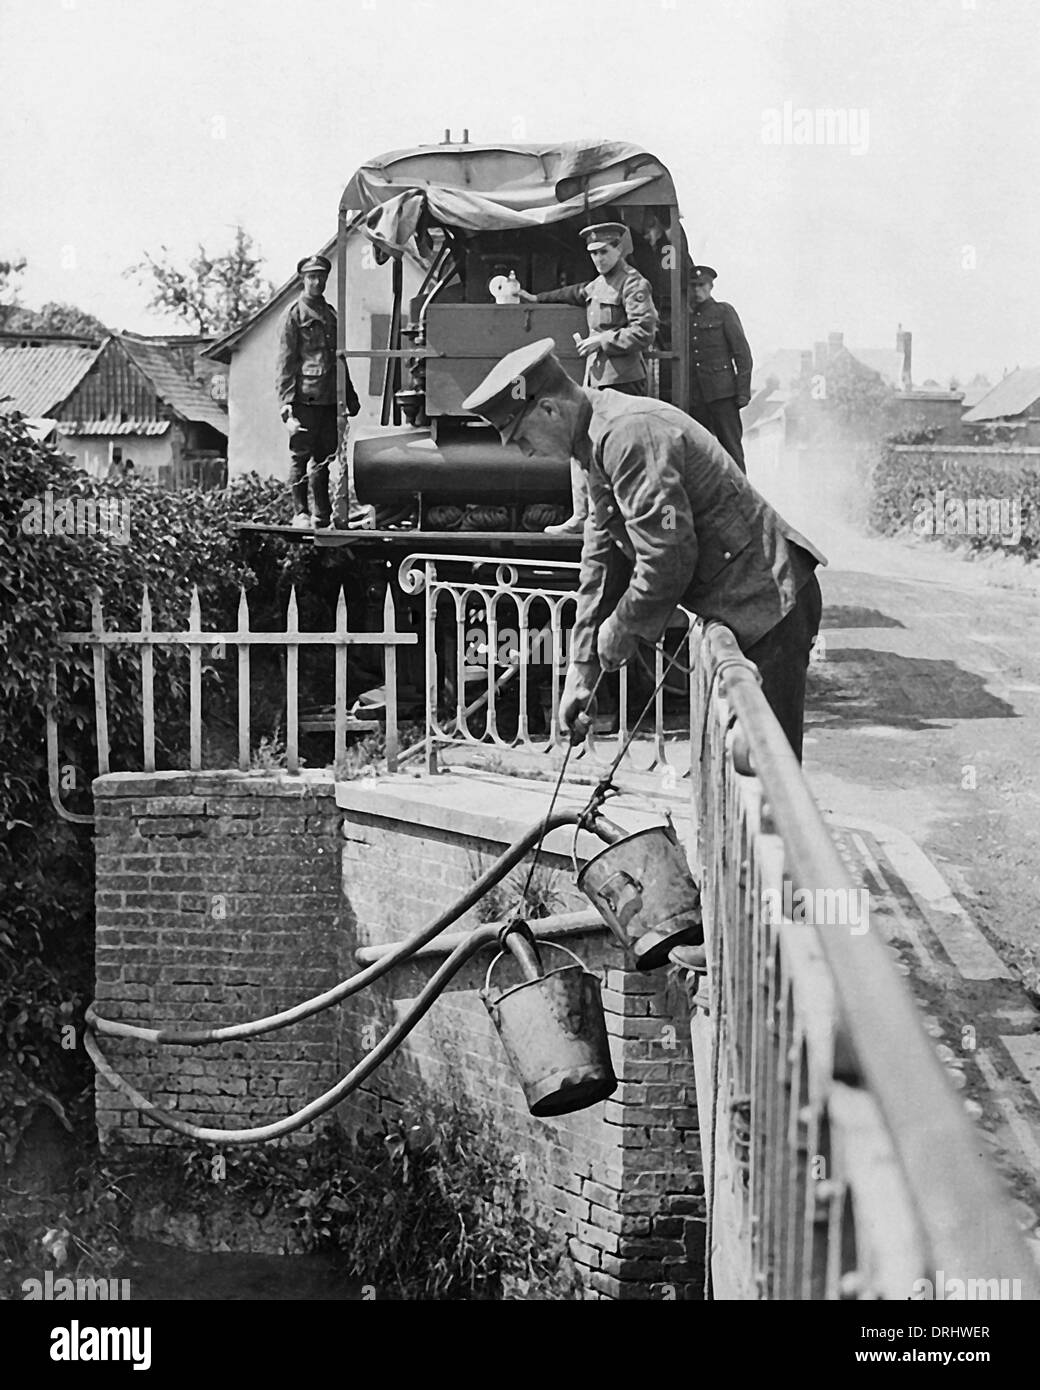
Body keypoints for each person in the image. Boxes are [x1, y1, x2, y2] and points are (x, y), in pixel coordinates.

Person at [460, 339, 827, 762]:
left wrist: (624, 624)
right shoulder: (596, 439)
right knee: (742, 771)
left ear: (548, 410)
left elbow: (667, 553)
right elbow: (601, 557)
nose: (525, 452)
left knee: (768, 781)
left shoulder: (628, 435)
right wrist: (583, 668)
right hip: (747, 603)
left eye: (521, 437)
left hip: (768, 603)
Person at [517, 223, 658, 536]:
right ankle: (582, 515)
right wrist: (536, 298)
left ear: (618, 249)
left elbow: (645, 331)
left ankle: (613, 520)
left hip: (622, 383)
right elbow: (573, 292)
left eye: (603, 252)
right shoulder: (598, 284)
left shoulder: (633, 284)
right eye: (593, 253)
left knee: (616, 449)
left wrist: (602, 341)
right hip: (596, 380)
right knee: (580, 442)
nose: (598, 258)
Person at [275, 253, 361, 529]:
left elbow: (339, 359)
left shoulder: (332, 314)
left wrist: (349, 396)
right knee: (301, 456)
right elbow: (286, 362)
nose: (317, 282)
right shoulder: (294, 315)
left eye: (321, 277)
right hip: (304, 398)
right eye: (312, 277)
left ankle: (322, 515)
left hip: (329, 400)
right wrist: (286, 403)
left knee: (324, 459)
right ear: (303, 280)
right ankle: (301, 512)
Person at [687, 265, 752, 473]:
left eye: (701, 286)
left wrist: (742, 393)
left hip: (723, 394)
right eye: (693, 286)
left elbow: (742, 354)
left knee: (732, 452)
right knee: (700, 454)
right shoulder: (687, 318)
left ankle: (741, 502)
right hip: (697, 399)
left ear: (711, 286)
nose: (697, 291)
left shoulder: (723, 312)